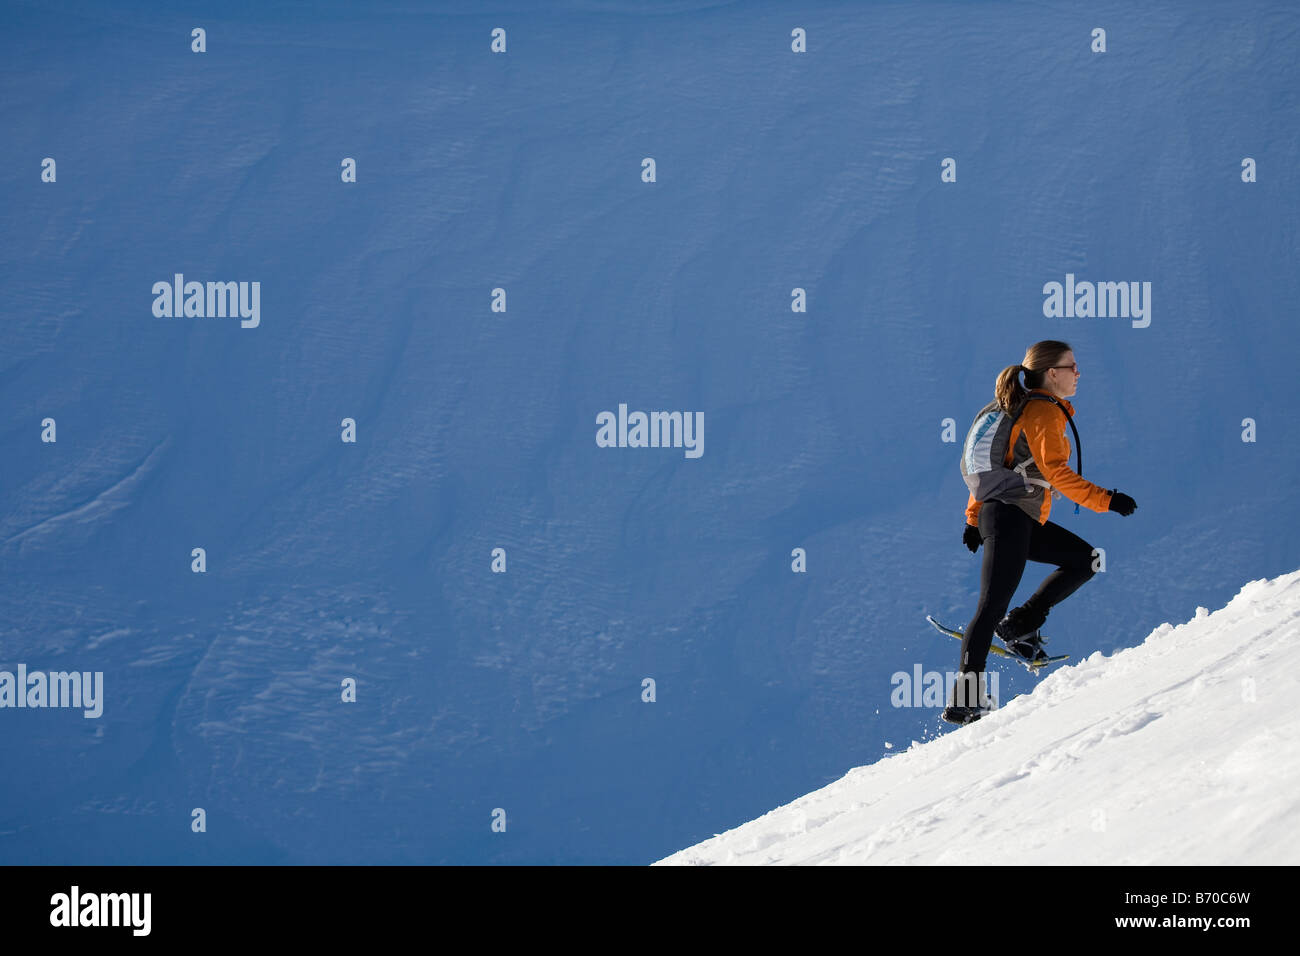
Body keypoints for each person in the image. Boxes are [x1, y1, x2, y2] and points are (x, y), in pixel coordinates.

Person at [942, 340, 1137, 724]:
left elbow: (995, 470)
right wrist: (1106, 499)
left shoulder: (1031, 409)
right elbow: (1056, 473)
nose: (1078, 374)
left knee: (1086, 559)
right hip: (1008, 518)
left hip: (1018, 518)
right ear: (1052, 373)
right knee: (990, 606)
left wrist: (971, 519)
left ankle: (1020, 624)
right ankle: (965, 701)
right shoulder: (1042, 411)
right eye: (1072, 367)